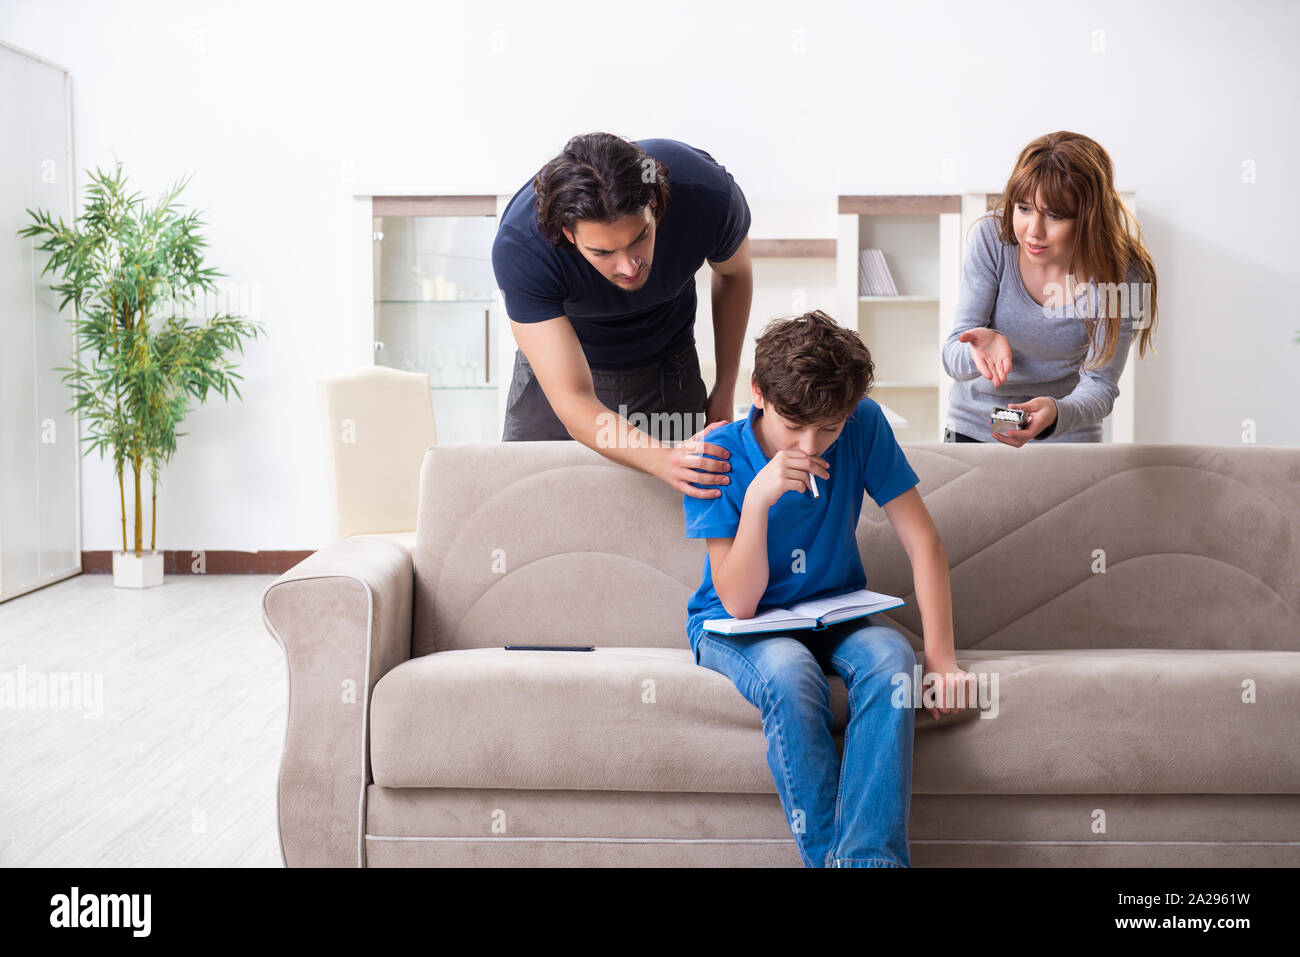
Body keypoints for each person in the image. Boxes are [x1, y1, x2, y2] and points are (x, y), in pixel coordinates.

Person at [681, 310, 970, 868]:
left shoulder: (864, 425)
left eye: (830, 428)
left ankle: (866, 862)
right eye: (795, 427)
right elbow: (739, 603)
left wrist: (941, 658)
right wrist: (761, 499)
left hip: (833, 612)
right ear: (758, 393)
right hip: (735, 623)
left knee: (891, 658)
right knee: (790, 673)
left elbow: (924, 544)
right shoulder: (714, 456)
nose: (812, 445)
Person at [491, 132, 753, 500]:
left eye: (639, 238)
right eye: (602, 252)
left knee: (680, 514)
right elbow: (573, 400)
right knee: (531, 509)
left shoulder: (705, 193)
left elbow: (734, 274)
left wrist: (725, 388)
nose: (628, 266)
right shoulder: (522, 245)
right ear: (568, 234)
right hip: (561, 373)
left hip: (664, 368)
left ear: (656, 204)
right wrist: (663, 460)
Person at [942, 131, 1160, 445]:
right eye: (1024, 208)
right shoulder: (992, 239)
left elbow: (1100, 386)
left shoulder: (1123, 273)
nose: (1033, 231)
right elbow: (952, 357)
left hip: (1065, 435)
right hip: (974, 430)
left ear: (1089, 218)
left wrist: (1056, 413)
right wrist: (975, 352)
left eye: (1055, 215)